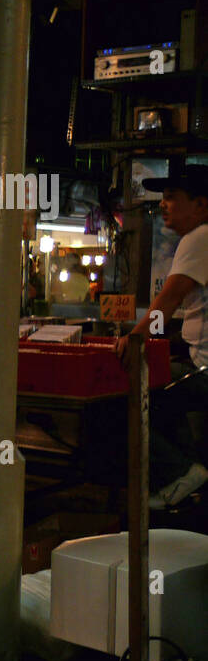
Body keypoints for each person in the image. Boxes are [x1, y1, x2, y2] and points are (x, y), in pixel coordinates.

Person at [117, 165, 208, 508]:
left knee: (128, 401)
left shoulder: (199, 237)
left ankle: (179, 474)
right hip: (201, 366)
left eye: (172, 197)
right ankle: (189, 475)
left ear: (201, 205)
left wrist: (135, 340)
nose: (164, 204)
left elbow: (166, 302)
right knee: (163, 390)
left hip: (206, 372)